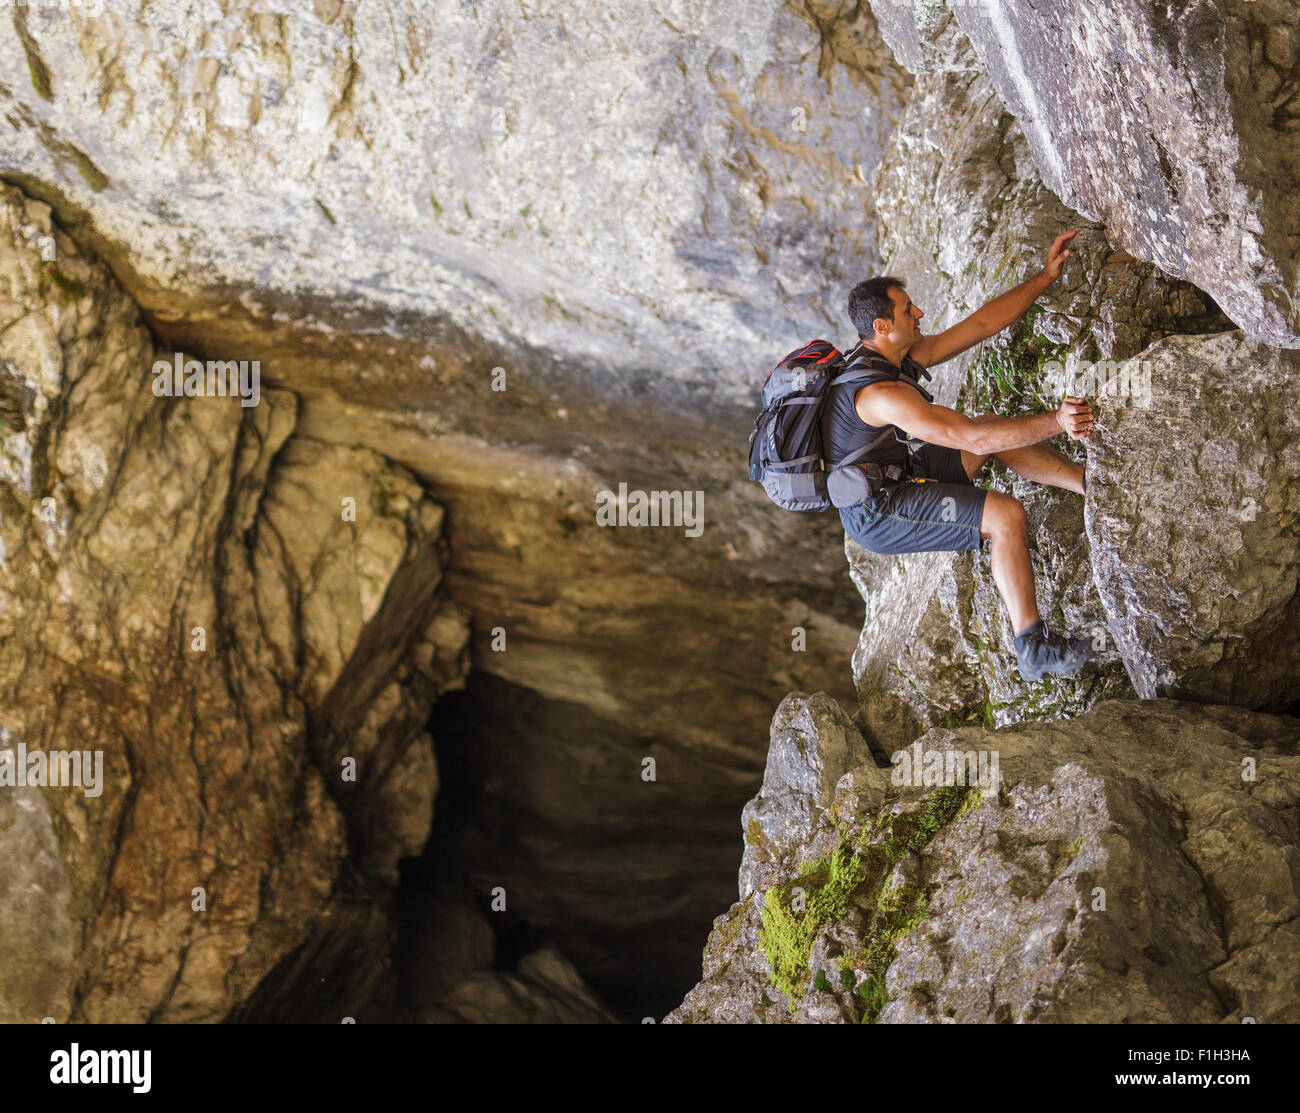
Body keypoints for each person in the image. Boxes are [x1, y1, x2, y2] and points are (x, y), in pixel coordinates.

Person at [827, 229, 1094, 682]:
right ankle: (1032, 646)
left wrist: (1045, 277)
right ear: (882, 327)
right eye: (907, 309)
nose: (919, 311)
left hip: (898, 474)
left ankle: (1087, 483)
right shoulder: (880, 394)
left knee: (991, 422)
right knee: (1005, 516)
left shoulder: (890, 357)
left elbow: (980, 325)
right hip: (879, 511)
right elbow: (972, 442)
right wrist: (1058, 422)